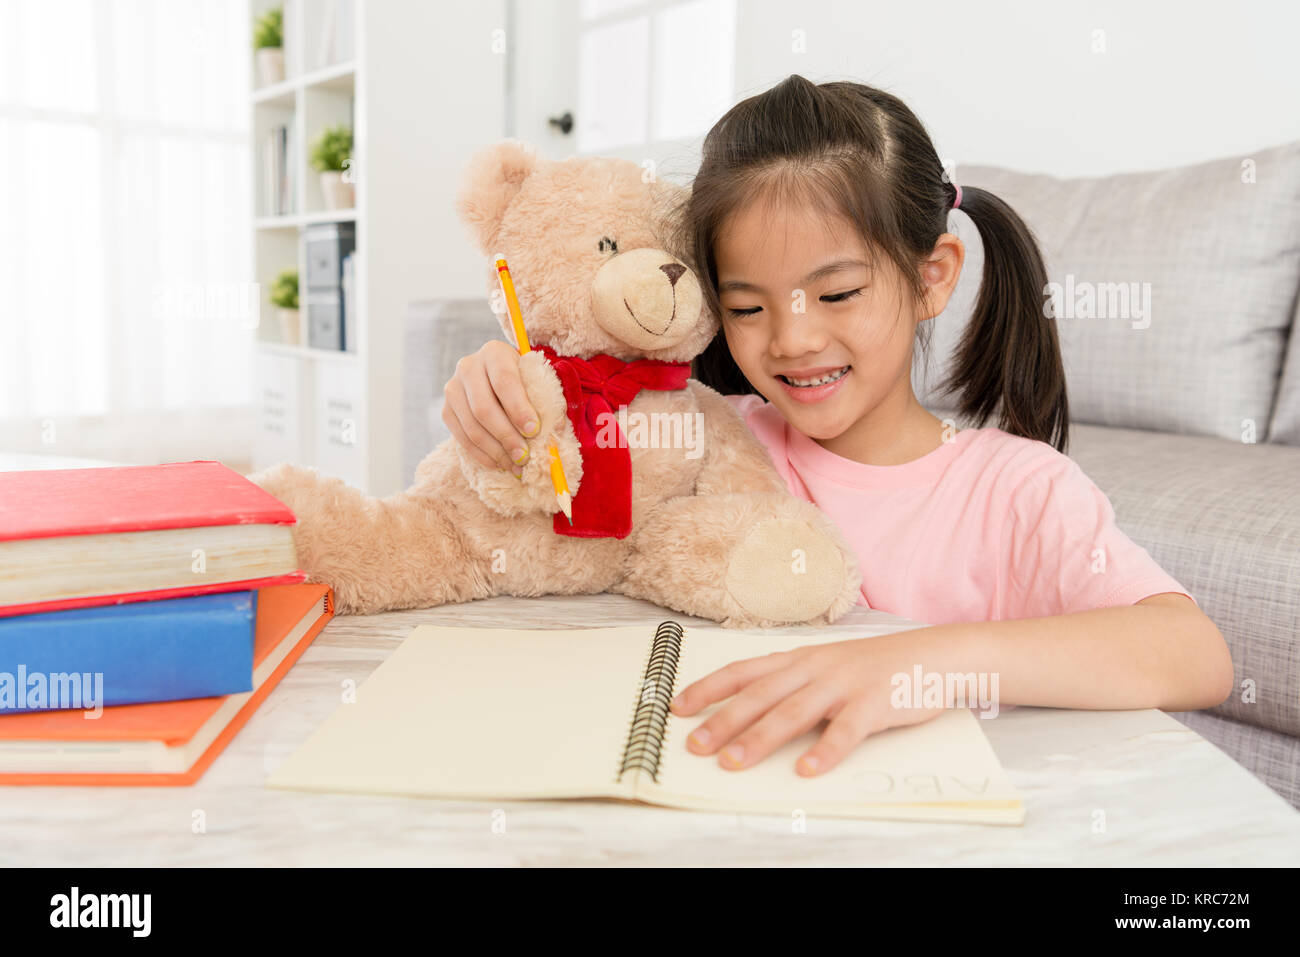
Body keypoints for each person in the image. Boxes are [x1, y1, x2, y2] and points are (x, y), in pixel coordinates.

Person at [441, 75, 1233, 777]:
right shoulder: (710, 440)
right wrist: (500, 398)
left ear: (932, 277)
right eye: (748, 307)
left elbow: (1197, 654)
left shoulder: (1014, 489)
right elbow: (542, 503)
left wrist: (923, 659)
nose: (792, 339)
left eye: (838, 294)